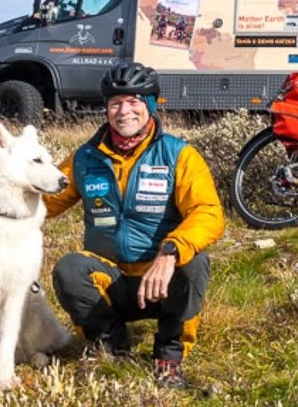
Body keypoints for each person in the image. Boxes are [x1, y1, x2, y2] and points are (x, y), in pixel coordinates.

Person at [44, 62, 224, 389]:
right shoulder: (85, 158)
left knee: (193, 262)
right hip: (111, 282)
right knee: (69, 268)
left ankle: (169, 356)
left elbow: (207, 212)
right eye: (115, 103)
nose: (123, 111)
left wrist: (170, 252)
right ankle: (111, 345)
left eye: (134, 101)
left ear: (151, 105)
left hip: (161, 280)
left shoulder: (179, 155)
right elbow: (43, 204)